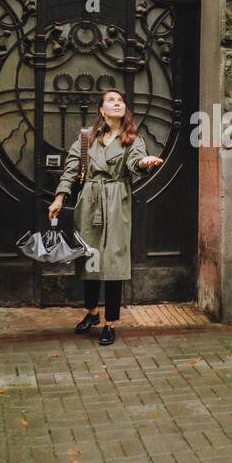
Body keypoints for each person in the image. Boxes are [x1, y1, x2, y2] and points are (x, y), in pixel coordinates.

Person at [48, 89, 162, 343]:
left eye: (121, 100)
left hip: (116, 202)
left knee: (113, 261)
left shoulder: (132, 138)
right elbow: (71, 169)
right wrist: (59, 197)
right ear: (101, 110)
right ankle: (91, 312)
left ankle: (110, 322)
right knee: (89, 258)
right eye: (111, 100)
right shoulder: (87, 138)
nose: (118, 103)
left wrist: (144, 164)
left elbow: (136, 160)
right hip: (89, 201)